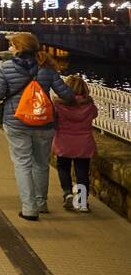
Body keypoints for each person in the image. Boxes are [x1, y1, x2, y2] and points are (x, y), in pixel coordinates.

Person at [0, 32, 74, 221]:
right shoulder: (47, 68)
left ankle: (29, 208)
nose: (10, 49)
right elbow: (67, 94)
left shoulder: (6, 67)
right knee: (41, 163)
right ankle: (41, 203)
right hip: (44, 122)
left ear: (19, 48)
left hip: (16, 121)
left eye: (12, 45)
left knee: (22, 164)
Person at [53, 75, 97, 213]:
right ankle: (82, 202)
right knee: (82, 171)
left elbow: (53, 119)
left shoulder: (58, 105)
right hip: (83, 143)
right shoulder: (89, 106)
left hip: (64, 141)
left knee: (63, 168)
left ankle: (68, 193)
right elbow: (94, 114)